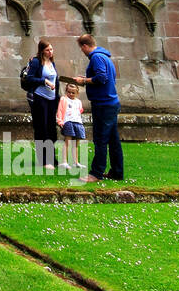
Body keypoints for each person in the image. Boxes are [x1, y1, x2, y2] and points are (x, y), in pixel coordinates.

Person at [64, 34, 123, 182]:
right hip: (111, 103)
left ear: (84, 46)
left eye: (81, 48)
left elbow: (102, 78)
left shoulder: (96, 58)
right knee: (113, 140)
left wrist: (83, 80)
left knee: (100, 139)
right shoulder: (106, 57)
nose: (82, 51)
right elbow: (111, 78)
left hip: (103, 104)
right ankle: (117, 172)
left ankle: (96, 173)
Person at [23, 39, 60, 171]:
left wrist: (58, 98)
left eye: (51, 49)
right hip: (40, 99)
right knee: (41, 129)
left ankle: (52, 158)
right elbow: (29, 78)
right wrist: (44, 81)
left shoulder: (51, 62)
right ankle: (44, 160)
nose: (50, 52)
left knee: (51, 129)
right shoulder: (36, 62)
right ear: (41, 50)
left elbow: (56, 80)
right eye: (47, 50)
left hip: (51, 99)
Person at [56, 82, 86, 171]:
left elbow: (79, 111)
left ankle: (76, 162)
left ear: (77, 93)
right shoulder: (63, 99)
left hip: (78, 123)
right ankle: (64, 161)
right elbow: (60, 111)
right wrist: (60, 121)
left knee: (76, 144)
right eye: (69, 92)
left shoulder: (78, 102)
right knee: (67, 142)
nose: (71, 94)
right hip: (68, 122)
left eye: (73, 93)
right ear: (66, 91)